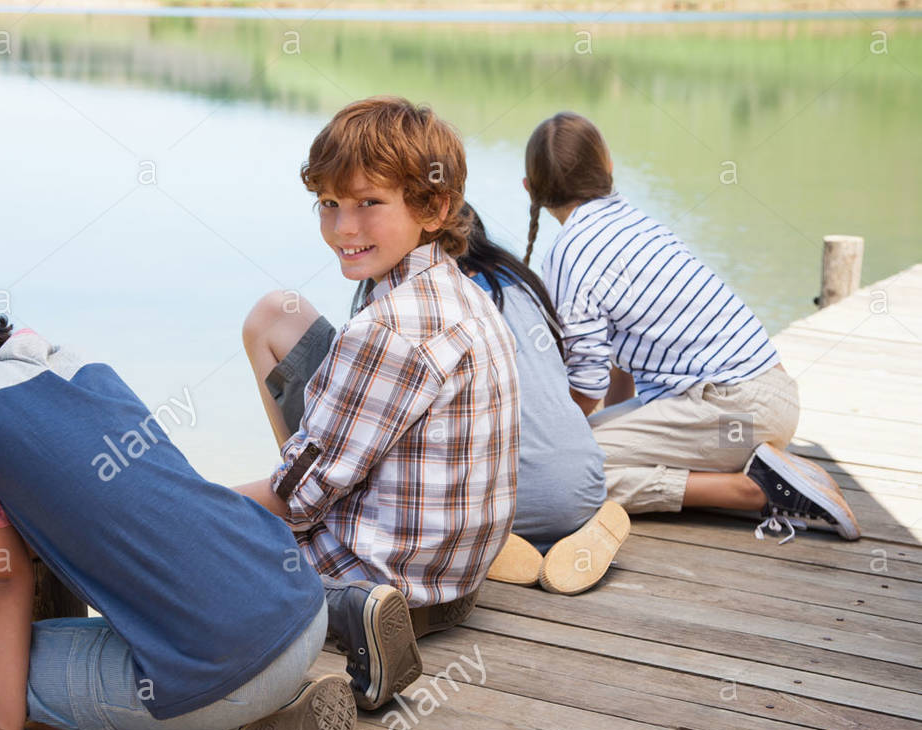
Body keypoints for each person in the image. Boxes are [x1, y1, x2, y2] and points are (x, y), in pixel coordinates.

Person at [0, 281, 360, 730]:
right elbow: (87, 516)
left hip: (235, 682)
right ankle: (334, 629)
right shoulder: (73, 365)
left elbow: (3, 576)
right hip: (302, 609)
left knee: (18, 688)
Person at [235, 96, 520, 649]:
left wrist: (176, 507)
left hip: (385, 587)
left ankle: (343, 617)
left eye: (369, 202)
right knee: (276, 314)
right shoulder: (459, 288)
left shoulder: (389, 329)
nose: (344, 227)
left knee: (177, 559)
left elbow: (294, 499)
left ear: (434, 209)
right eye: (328, 203)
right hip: (455, 579)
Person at [522, 111, 859, 542]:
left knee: (564, 471)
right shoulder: (635, 221)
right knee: (579, 448)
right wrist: (607, 425)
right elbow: (614, 363)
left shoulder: (570, 251)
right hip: (767, 397)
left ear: (530, 189)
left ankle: (749, 489)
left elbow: (587, 388)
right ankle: (761, 462)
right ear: (608, 171)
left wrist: (554, 442)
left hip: (728, 406)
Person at [457, 204, 629, 594]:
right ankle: (576, 531)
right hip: (585, 489)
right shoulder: (520, 281)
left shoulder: (431, 301)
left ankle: (494, 544)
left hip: (505, 507)